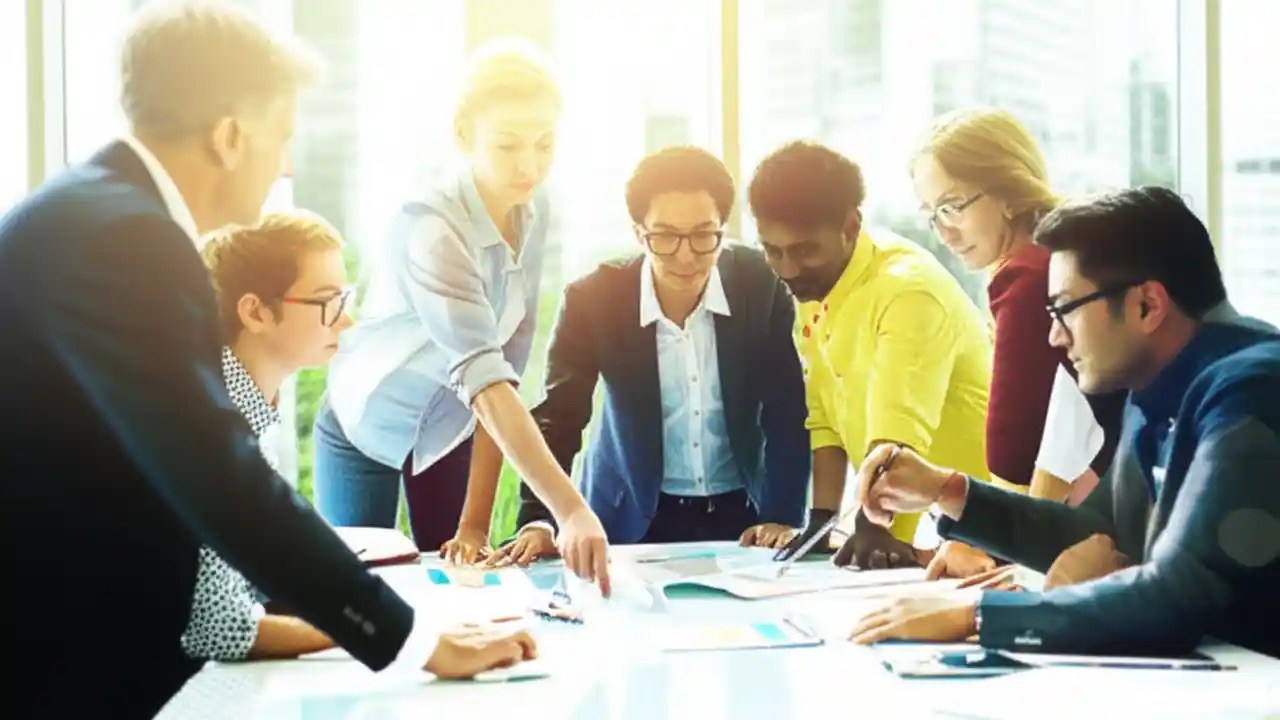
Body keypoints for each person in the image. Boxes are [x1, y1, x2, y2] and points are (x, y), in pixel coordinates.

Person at [0, 4, 534, 716]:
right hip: (67, 666)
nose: (285, 163)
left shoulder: (88, 212)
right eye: (282, 137)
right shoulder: (131, 240)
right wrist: (414, 640)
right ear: (228, 135)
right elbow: (219, 477)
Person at [849, 187, 1280, 658]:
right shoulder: (1157, 382)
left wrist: (977, 615)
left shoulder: (1254, 388)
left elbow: (1180, 594)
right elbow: (1098, 532)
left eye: (1063, 310)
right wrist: (947, 490)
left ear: (1147, 306)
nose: (1054, 335)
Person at [314, 38, 610, 589]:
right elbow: (486, 382)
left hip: (449, 427)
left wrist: (475, 524)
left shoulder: (533, 207)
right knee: (354, 591)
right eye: (507, 145)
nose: (531, 164)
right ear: (462, 136)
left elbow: (505, 372)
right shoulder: (430, 228)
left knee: (461, 584)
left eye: (545, 144)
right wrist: (569, 510)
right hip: (365, 427)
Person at [488, 147, 809, 565]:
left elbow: (786, 407)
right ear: (640, 233)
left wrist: (783, 514)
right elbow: (560, 416)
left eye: (703, 234)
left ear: (723, 229)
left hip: (743, 516)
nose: (685, 254)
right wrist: (540, 519)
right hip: (629, 515)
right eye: (665, 236)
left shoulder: (759, 283)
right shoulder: (593, 298)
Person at [750, 141, 993, 569]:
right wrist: (821, 522)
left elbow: (898, 429)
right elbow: (823, 414)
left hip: (983, 523)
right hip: (902, 509)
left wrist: (872, 526)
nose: (787, 269)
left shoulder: (906, 290)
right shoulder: (815, 286)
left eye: (805, 250)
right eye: (773, 251)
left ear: (850, 226)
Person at [908, 107, 1126, 579]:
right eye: (931, 214)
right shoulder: (1060, 259)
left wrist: (977, 538)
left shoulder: (1028, 280)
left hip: (1092, 545)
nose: (943, 230)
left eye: (953, 206)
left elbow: (1012, 454)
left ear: (1007, 193)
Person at [183, 212, 358, 661]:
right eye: (328, 302)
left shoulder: (249, 410)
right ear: (256, 312)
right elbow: (216, 629)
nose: (346, 321)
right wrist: (361, 629)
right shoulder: (212, 430)